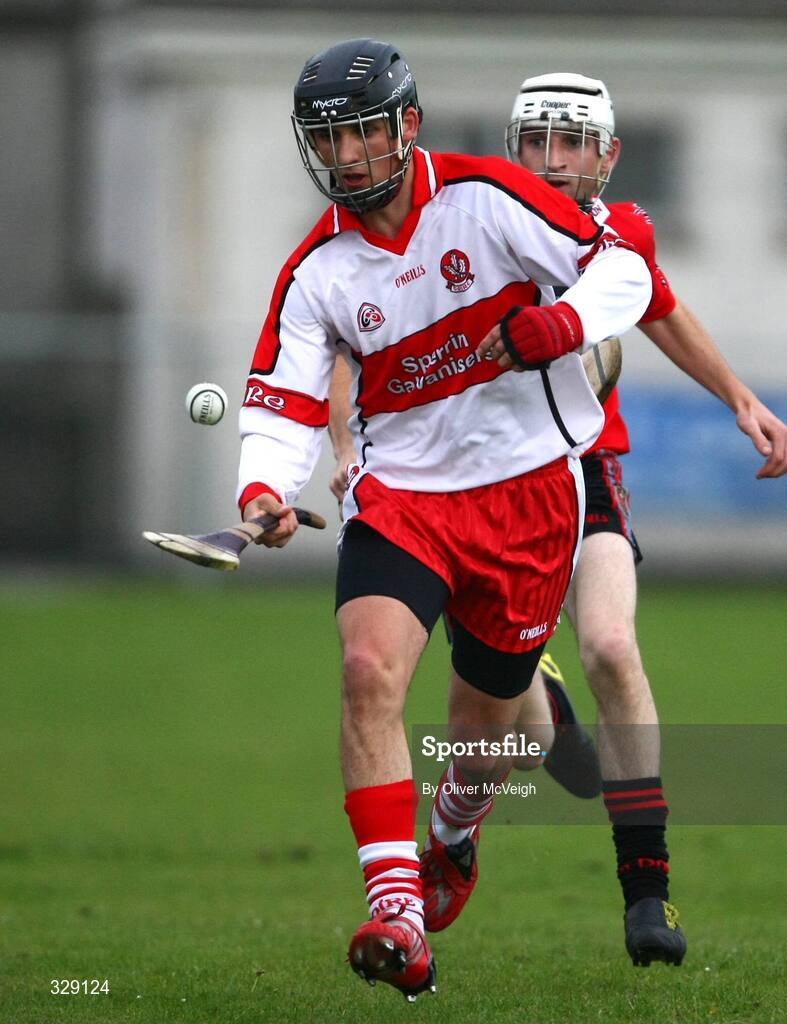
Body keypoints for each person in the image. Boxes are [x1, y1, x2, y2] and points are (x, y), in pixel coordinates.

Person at [236, 41, 653, 1000]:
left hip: (530, 497)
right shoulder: (318, 271)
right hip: (403, 503)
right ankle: (398, 915)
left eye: (361, 131)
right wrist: (262, 487)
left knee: (483, 730)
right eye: (326, 138)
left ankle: (454, 840)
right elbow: (282, 400)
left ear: (405, 126)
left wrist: (563, 324)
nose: (344, 155)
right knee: (367, 668)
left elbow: (620, 270)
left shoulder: (488, 197)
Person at [499, 73, 787, 967]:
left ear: (608, 153)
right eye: (537, 140)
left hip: (588, 467)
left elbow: (660, 310)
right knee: (510, 717)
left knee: (613, 647)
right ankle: (539, 706)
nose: (554, 160)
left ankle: (648, 897)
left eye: (574, 141)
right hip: (490, 481)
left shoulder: (622, 233)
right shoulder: (470, 226)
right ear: (512, 148)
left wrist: (741, 398)